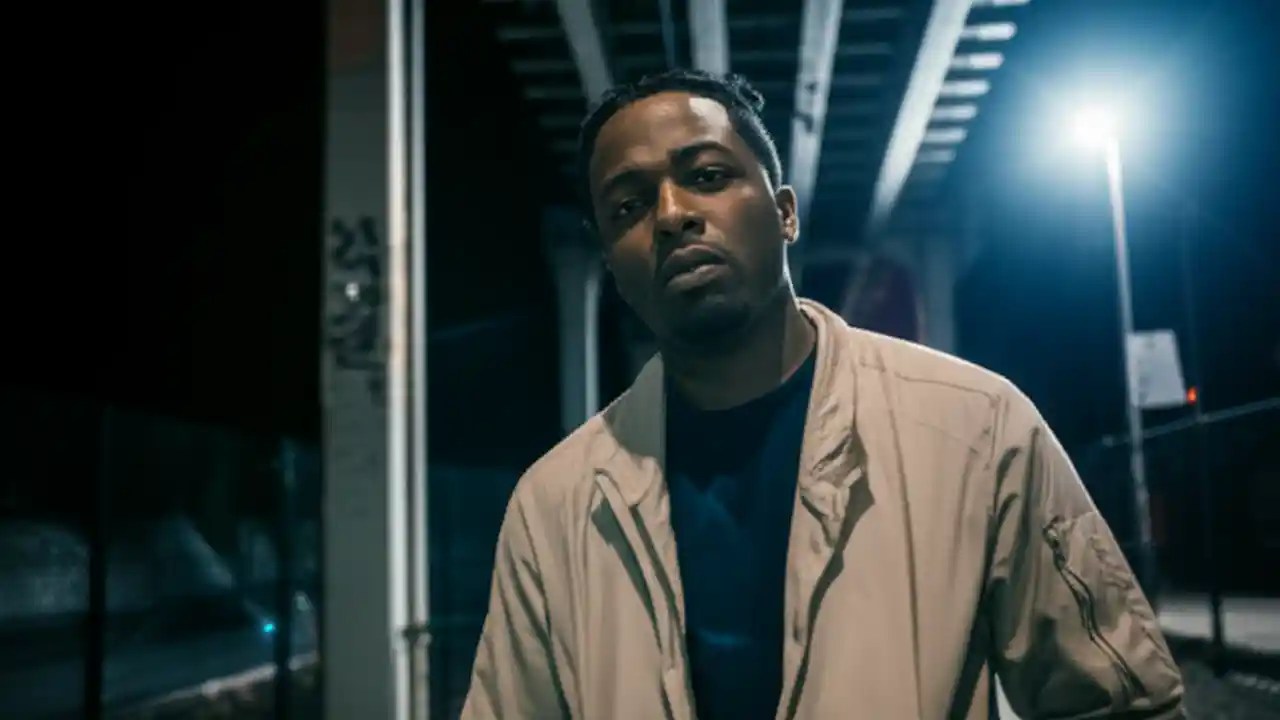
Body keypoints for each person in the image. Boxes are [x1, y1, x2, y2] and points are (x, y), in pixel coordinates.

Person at [461, 69, 1185, 719]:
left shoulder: (974, 429)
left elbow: (1116, 702)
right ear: (610, 265)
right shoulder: (554, 504)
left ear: (784, 213)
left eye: (708, 175)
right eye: (627, 206)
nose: (673, 213)